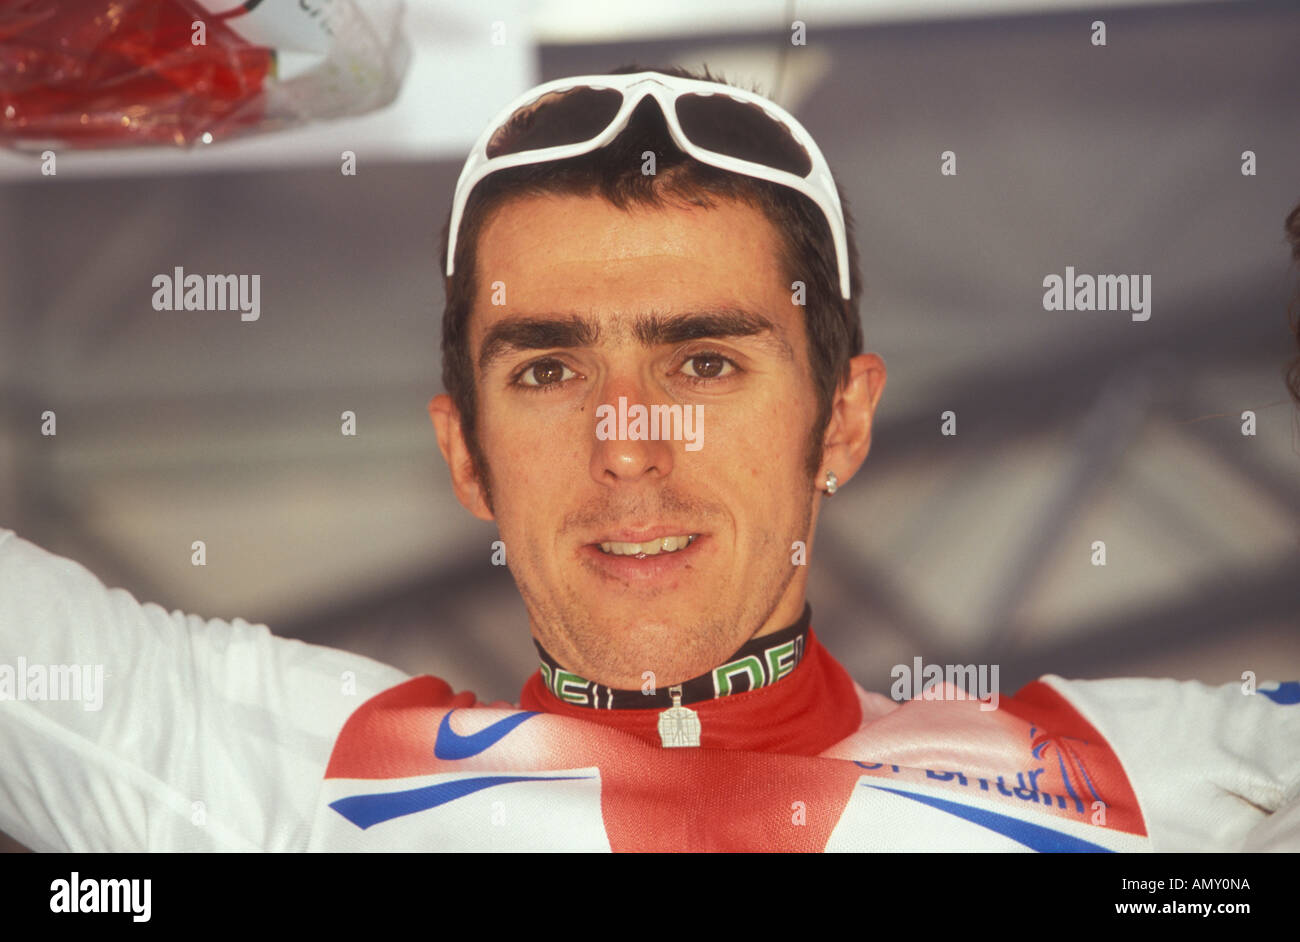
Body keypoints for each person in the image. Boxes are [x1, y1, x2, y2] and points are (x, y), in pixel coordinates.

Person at [1, 66, 1296, 853]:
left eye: (705, 363)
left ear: (843, 422)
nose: (627, 444)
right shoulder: (312, 777)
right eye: (548, 371)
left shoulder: (1161, 781)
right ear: (464, 454)